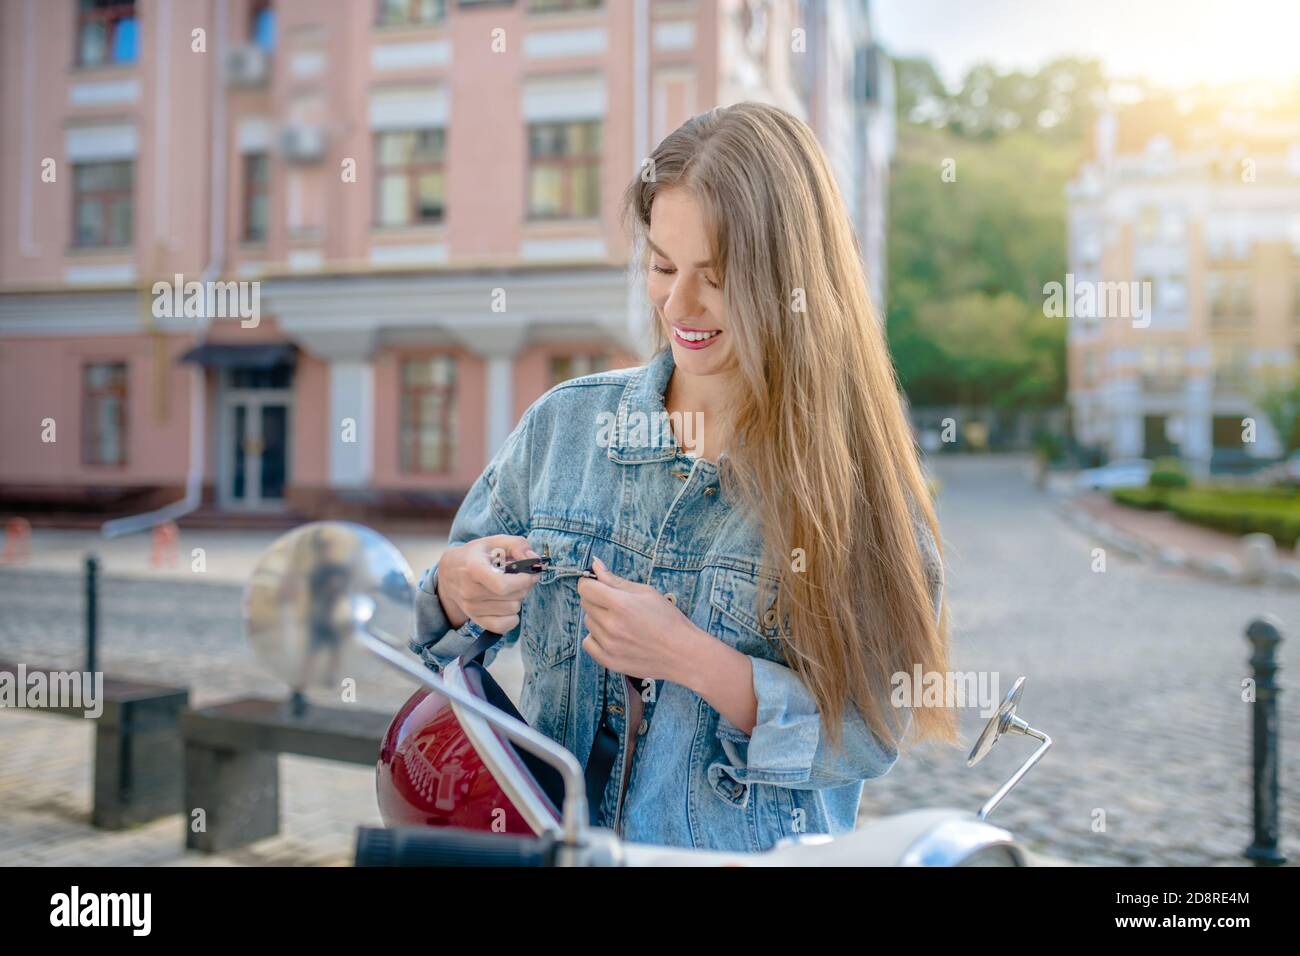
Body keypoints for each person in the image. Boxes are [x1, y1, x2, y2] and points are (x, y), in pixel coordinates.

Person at [412, 102, 955, 853]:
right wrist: (455, 585)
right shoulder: (565, 425)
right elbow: (445, 627)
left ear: (792, 280)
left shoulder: (855, 485)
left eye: (718, 277)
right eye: (663, 266)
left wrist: (692, 659)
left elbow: (870, 734)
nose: (679, 303)